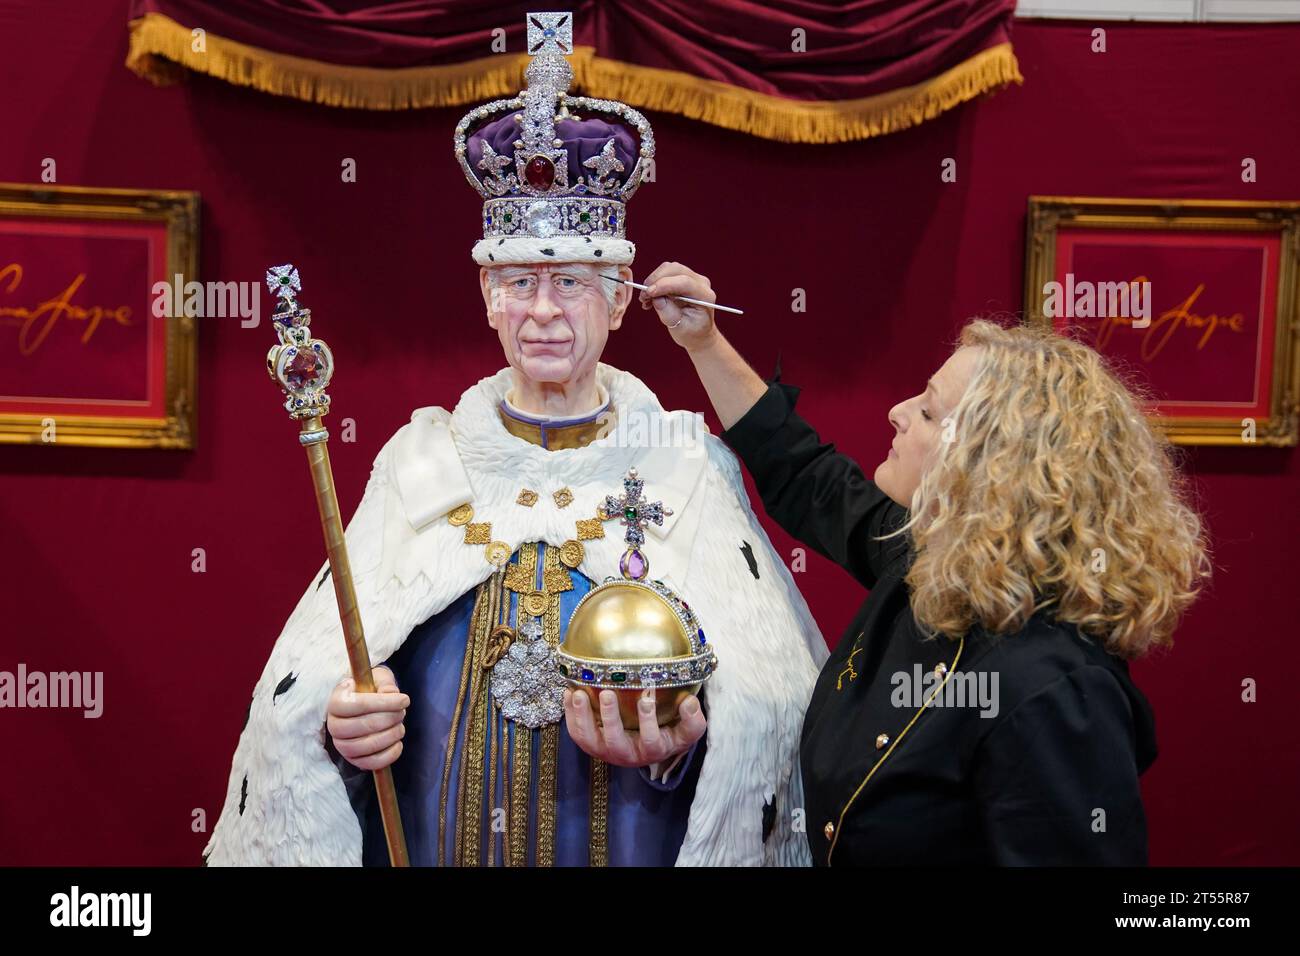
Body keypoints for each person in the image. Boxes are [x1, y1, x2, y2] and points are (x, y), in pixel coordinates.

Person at [201, 14, 825, 867]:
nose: (542, 310)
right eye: (518, 282)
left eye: (570, 282)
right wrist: (343, 719)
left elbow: (769, 703)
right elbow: (316, 684)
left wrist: (683, 739)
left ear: (617, 297)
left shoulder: (682, 462)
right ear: (487, 298)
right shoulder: (421, 462)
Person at [639, 261, 1213, 865]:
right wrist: (702, 340)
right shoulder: (936, 562)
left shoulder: (1056, 689)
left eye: (930, 412)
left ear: (989, 464)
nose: (899, 412)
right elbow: (807, 477)